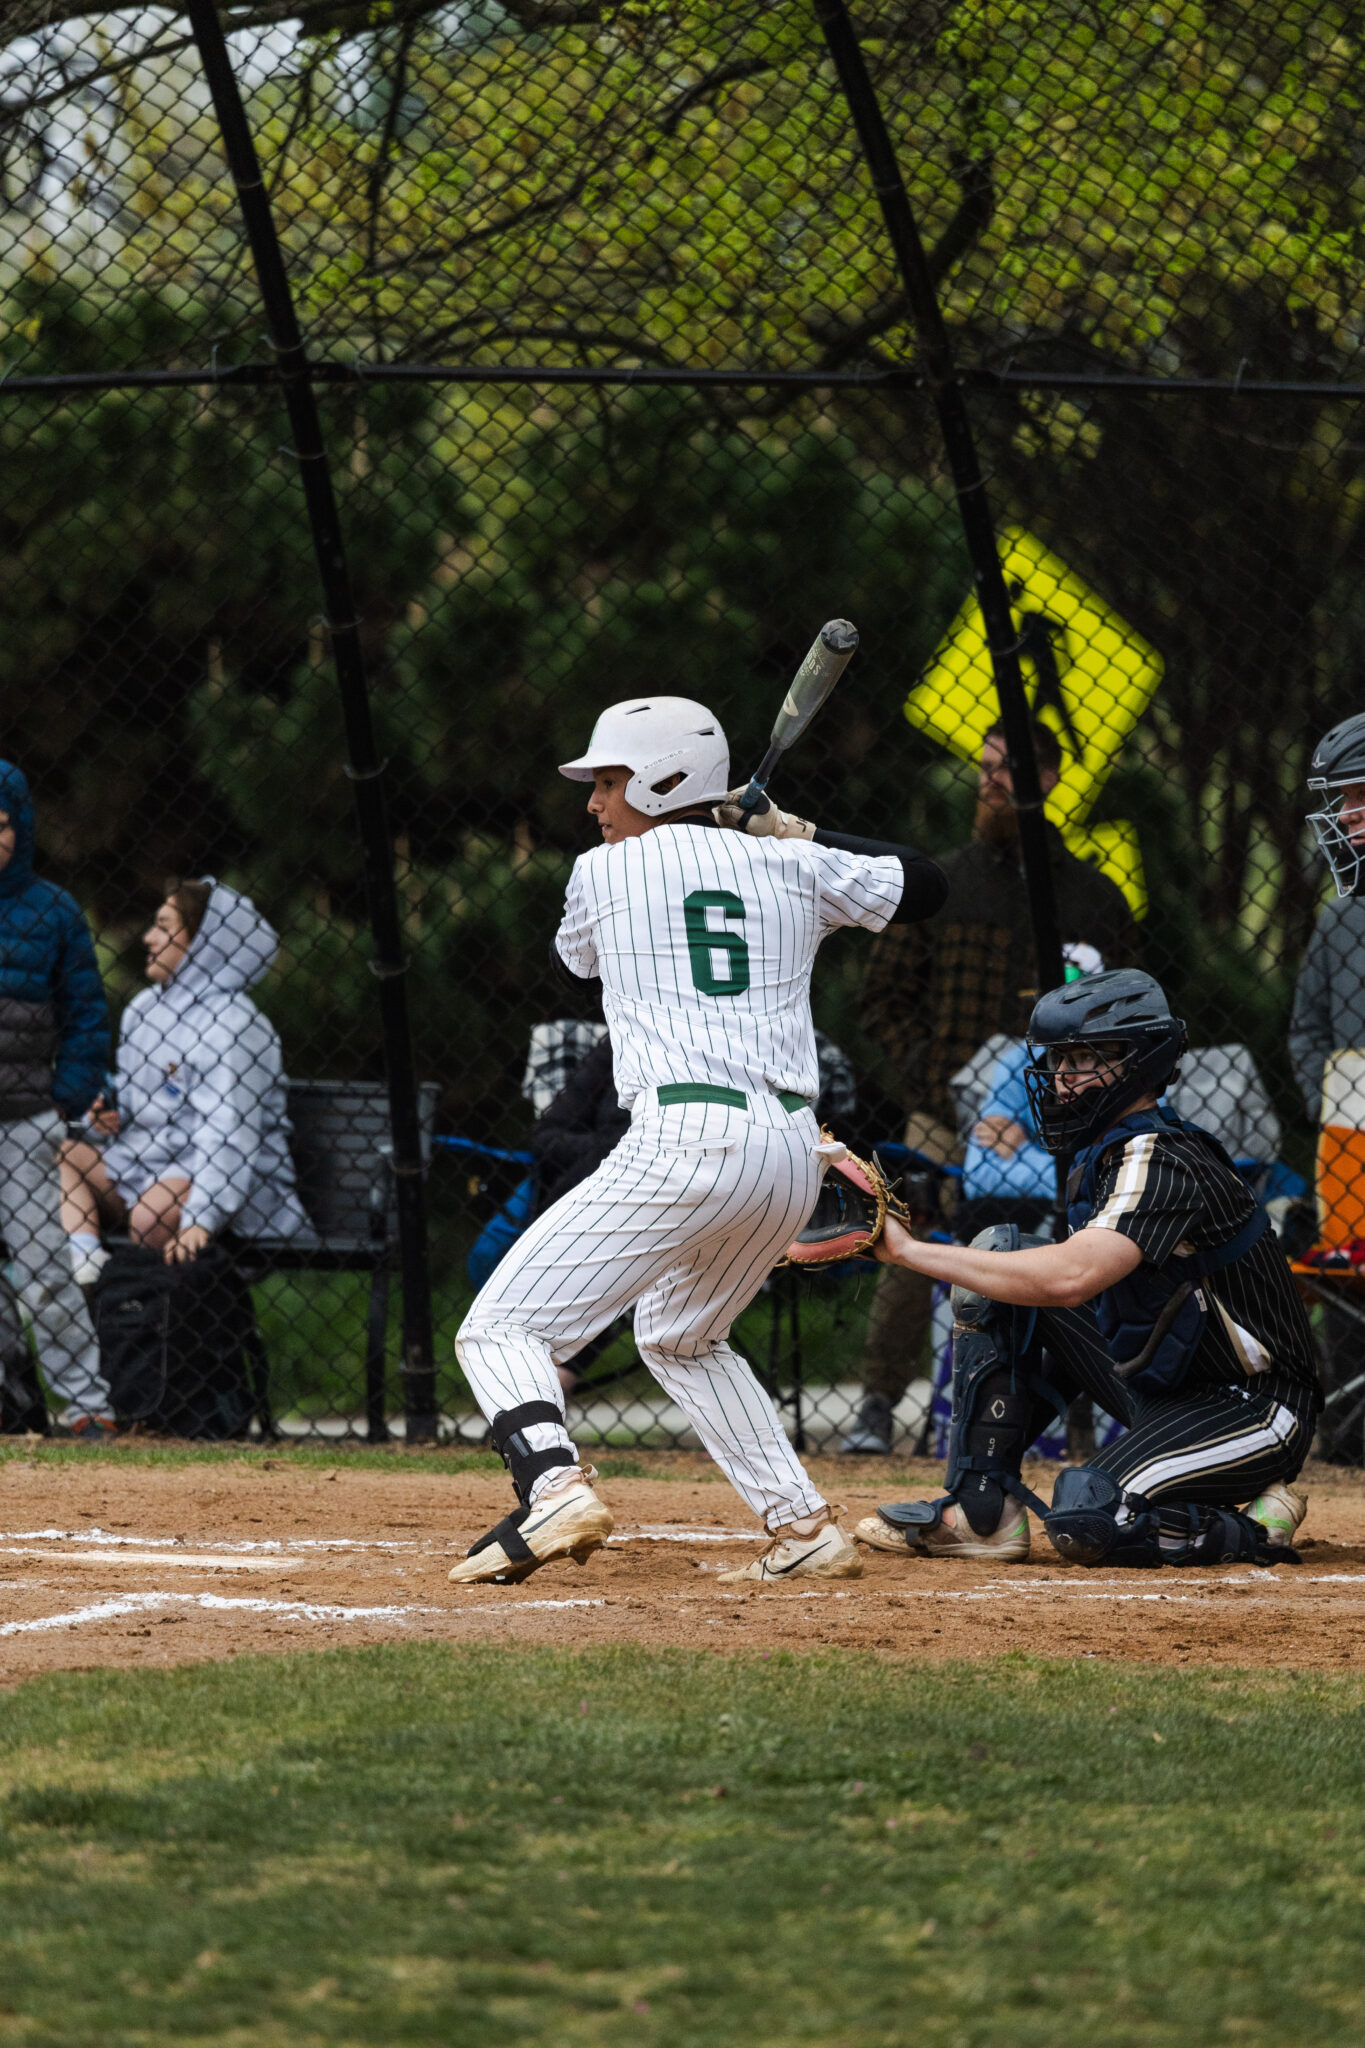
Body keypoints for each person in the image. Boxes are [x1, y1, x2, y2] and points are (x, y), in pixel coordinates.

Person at [449, 694, 947, 1587]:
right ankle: (801, 1526)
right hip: (792, 1152)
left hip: (687, 1136)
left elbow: (580, 959)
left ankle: (552, 1485)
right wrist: (790, 834)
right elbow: (924, 883)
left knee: (500, 1328)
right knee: (681, 1335)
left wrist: (743, 841)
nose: (593, 806)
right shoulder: (793, 863)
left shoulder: (600, 875)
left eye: (608, 782)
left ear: (658, 780)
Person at [855, 968, 1320, 1568]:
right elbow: (1054, 1289)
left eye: (1083, 1060)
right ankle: (983, 1511)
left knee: (1089, 1519)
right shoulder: (1106, 1154)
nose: (1062, 1078)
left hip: (1253, 1408)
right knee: (1001, 1261)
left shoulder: (1162, 1159)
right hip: (1165, 1386)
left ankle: (1253, 1526)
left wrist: (907, 1251)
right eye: (1059, 1060)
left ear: (1138, 1063)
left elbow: (1071, 1278)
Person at [842, 722, 1141, 1454]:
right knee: (907, 1219)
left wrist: (1082, 1094)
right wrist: (933, 1080)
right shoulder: (940, 886)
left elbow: (1132, 1011)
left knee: (1087, 1237)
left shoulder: (1094, 898)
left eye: (1004, 770)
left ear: (1049, 778)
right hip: (946, 1108)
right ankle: (878, 1402)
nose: (987, 782)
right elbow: (881, 999)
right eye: (982, 768)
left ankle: (1084, 1406)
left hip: (1072, 1113)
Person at [60, 879, 308, 1265]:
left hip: (218, 1178)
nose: (148, 938)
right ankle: (86, 1269)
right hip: (142, 1166)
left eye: (164, 926)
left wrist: (202, 1215)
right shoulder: (144, 1010)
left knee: (151, 1215)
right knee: (49, 1153)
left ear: (204, 942)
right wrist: (102, 1114)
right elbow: (129, 1099)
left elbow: (228, 1133)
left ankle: (156, 1317)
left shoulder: (234, 1024)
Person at [0, 759, 112, 1435]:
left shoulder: (51, 910)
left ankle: (85, 1405)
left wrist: (64, 1099)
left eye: (2, 825)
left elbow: (85, 1016)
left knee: (44, 1268)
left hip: (23, 1121)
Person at [1290, 711, 1365, 1458]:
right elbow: (1306, 1030)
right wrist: (1334, 1099)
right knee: (1346, 1286)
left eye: (1357, 797)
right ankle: (1351, 1436)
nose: (1343, 818)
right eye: (1339, 801)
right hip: (1354, 1140)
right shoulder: (1340, 922)